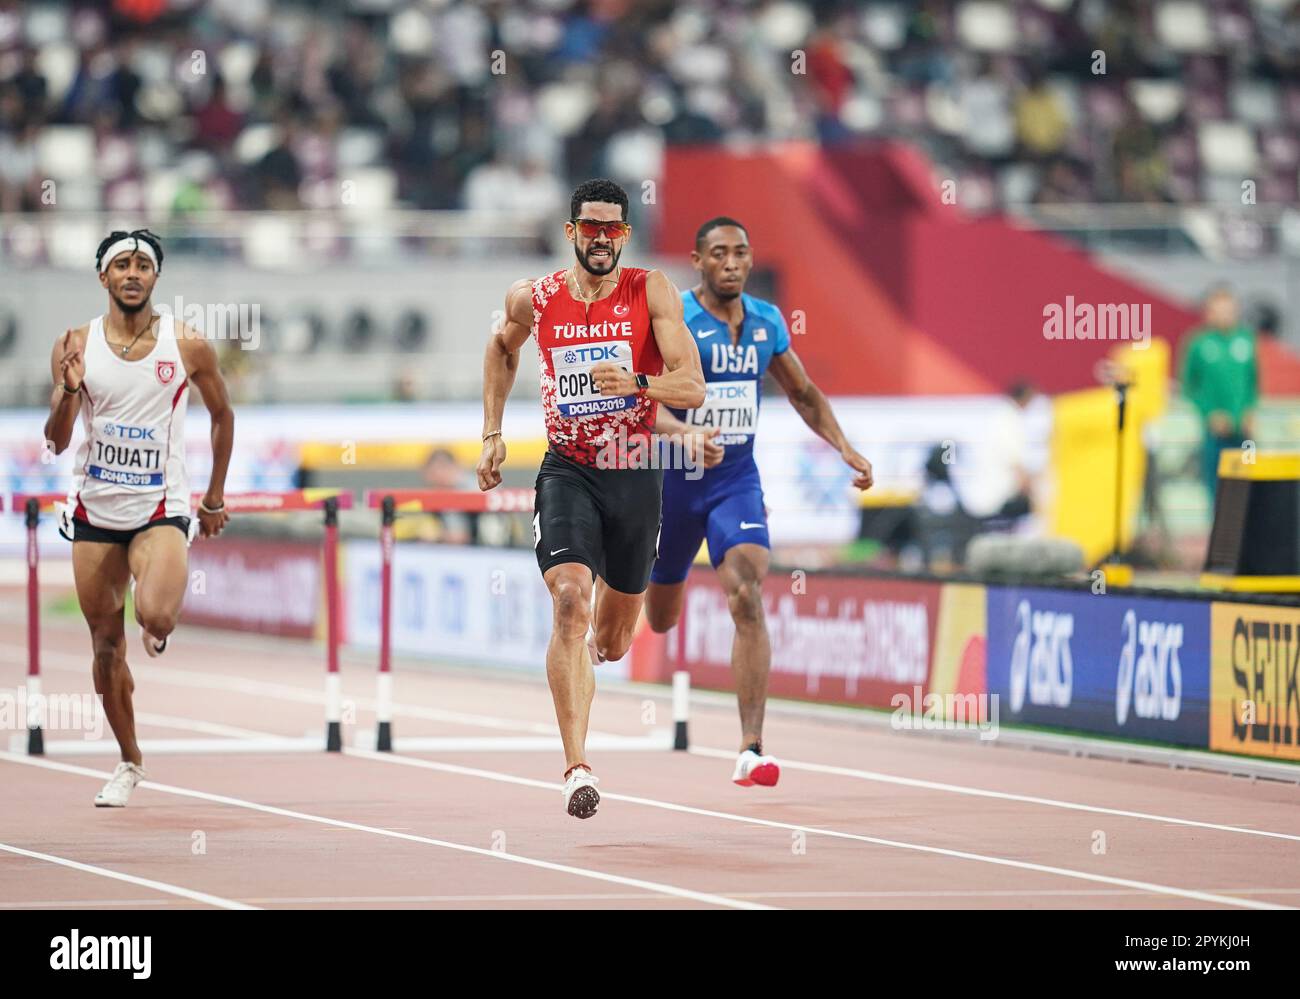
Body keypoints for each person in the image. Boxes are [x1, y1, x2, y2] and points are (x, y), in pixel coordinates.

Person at [477, 179, 705, 819]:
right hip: (568, 468)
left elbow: (691, 387)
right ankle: (577, 765)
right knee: (570, 601)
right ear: (571, 230)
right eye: (590, 227)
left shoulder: (651, 289)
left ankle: (605, 631)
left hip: (633, 470)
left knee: (612, 641)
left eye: (614, 230)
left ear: (624, 237)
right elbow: (500, 348)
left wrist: (638, 380)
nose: (601, 239)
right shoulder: (535, 296)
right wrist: (493, 433)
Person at [644, 217, 873, 787]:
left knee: (747, 590)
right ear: (697, 261)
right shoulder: (677, 322)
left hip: (735, 482)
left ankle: (751, 748)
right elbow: (643, 402)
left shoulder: (769, 322)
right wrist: (684, 434)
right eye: (718, 253)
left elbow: (802, 393)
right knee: (660, 617)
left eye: (741, 253)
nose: (731, 262)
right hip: (675, 482)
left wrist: (844, 447)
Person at [43, 229, 235, 807]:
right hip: (95, 510)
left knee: (156, 618)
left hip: (160, 507)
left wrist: (214, 497)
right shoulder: (74, 344)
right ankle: (129, 760)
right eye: (121, 265)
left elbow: (222, 416)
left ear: (156, 277)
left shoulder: (188, 344)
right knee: (105, 645)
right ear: (103, 277)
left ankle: (158, 616)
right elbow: (55, 442)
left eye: (143, 266)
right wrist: (66, 392)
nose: (132, 274)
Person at [1180, 286, 1258, 500]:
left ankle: (1248, 533)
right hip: (1215, 431)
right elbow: (1189, 387)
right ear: (1209, 313)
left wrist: (1250, 411)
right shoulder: (1198, 343)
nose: (1226, 315)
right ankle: (1218, 530)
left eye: (1229, 310)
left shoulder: (1246, 340)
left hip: (1244, 430)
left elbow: (1253, 382)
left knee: (1248, 486)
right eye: (1220, 310)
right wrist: (1209, 414)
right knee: (1216, 487)